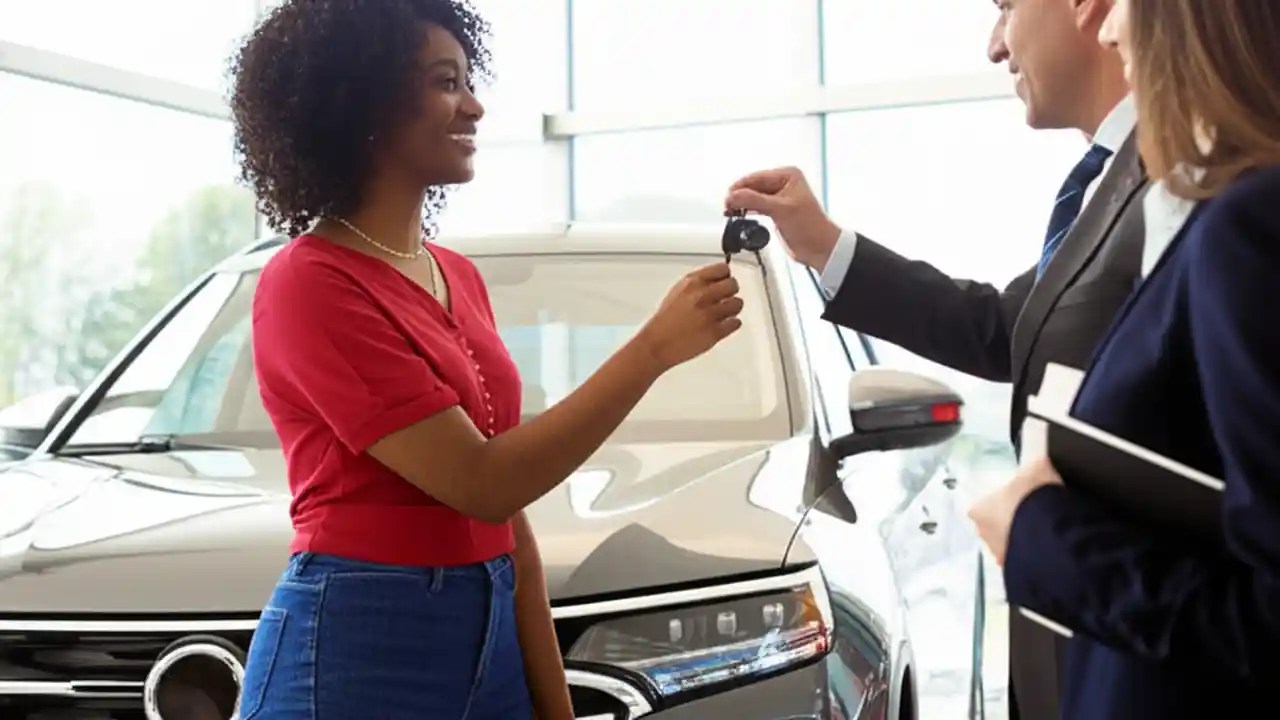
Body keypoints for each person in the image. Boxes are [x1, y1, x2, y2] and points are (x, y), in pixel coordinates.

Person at [226, 2, 744, 718]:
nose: (473, 105)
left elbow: (509, 519)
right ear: (365, 99)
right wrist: (653, 350)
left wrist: (552, 704)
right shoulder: (309, 282)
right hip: (354, 648)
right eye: (446, 83)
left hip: (491, 628)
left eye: (467, 80)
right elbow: (481, 482)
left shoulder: (456, 275)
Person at [723, 1, 1139, 717]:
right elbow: (1010, 329)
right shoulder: (1108, 180)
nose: (994, 47)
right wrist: (822, 243)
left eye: (1005, 7)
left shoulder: (1188, 182)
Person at [969, 0, 1280, 717]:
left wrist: (1041, 537)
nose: (1109, 29)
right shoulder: (1215, 214)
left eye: (1126, 5)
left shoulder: (1247, 230)